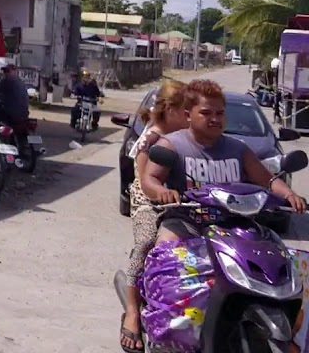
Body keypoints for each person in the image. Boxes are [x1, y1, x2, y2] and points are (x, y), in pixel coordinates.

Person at [141, 79, 308, 248]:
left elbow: (269, 180)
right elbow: (150, 179)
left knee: (271, 257)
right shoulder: (171, 145)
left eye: (220, 113)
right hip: (185, 223)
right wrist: (162, 191)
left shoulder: (238, 149)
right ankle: (139, 274)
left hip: (235, 226)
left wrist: (288, 194)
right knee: (165, 252)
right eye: (206, 113)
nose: (214, 119)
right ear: (188, 115)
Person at [119, 79, 189, 352]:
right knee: (147, 242)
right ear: (169, 109)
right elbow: (145, 178)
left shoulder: (186, 136)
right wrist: (159, 192)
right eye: (184, 111)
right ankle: (133, 312)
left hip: (180, 199)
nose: (187, 117)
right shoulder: (152, 137)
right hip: (148, 200)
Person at [0, 64, 30, 131]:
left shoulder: (8, 81)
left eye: (7, 71)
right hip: (24, 114)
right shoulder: (20, 82)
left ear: (14, 71)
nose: (5, 73)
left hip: (12, 115)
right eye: (4, 71)